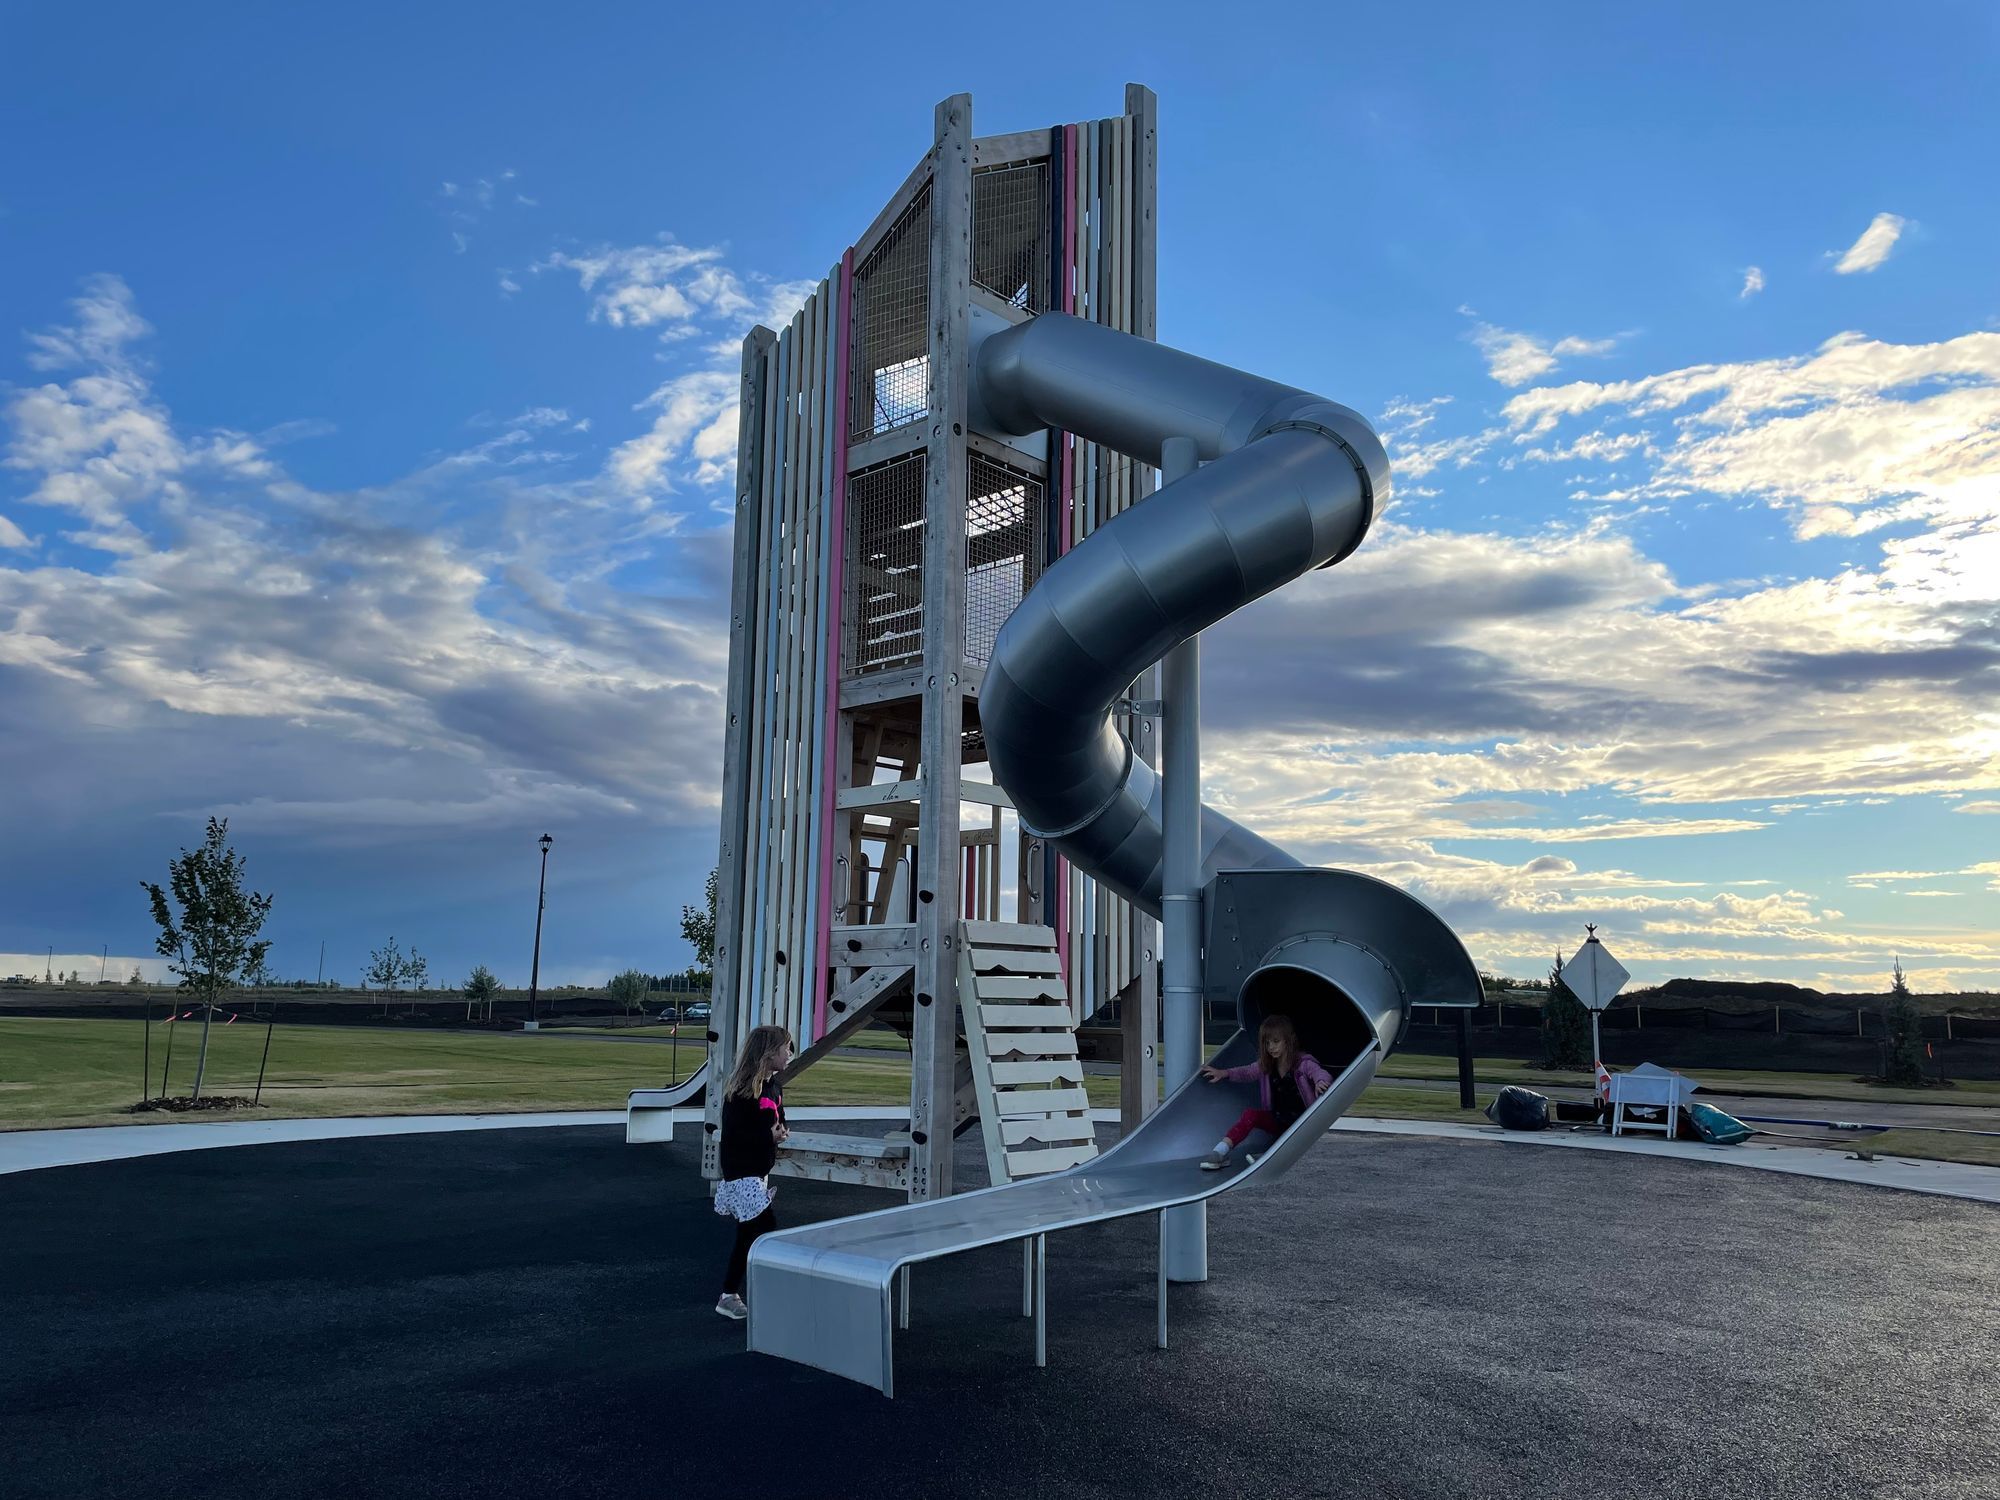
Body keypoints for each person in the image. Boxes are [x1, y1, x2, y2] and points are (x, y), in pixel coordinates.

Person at [714, 1023, 792, 1320]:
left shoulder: (774, 1086)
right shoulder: (742, 1092)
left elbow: (777, 1117)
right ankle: (739, 1292)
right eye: (785, 1049)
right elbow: (734, 1135)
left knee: (749, 1233)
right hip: (741, 1173)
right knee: (764, 1228)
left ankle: (730, 1293)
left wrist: (782, 1131)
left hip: (759, 1172)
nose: (789, 1054)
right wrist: (768, 1137)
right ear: (768, 1053)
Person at [1197, 1014, 1334, 1170]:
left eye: (1276, 1042)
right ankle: (1220, 1152)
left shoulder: (1302, 1064)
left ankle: (1270, 1156)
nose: (1271, 1047)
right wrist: (1224, 1073)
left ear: (1289, 1040)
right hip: (1278, 1119)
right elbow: (1247, 1072)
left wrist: (1320, 1082)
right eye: (1267, 1043)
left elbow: (1319, 1072)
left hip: (1301, 1122)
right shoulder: (1267, 1065)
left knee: (1289, 1131)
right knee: (1251, 1115)